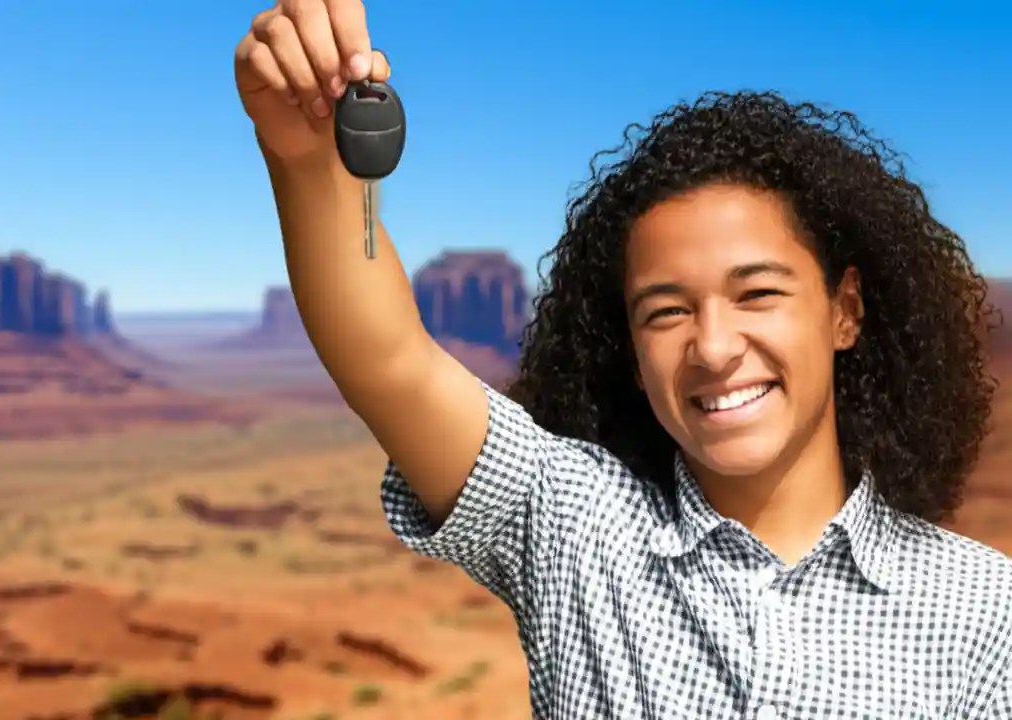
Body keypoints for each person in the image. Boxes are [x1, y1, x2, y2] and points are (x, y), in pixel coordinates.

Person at [233, 1, 1012, 717]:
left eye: (758, 294)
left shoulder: (981, 614)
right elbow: (390, 361)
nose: (712, 346)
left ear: (844, 311)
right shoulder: (576, 527)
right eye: (667, 311)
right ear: (632, 356)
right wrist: (305, 160)